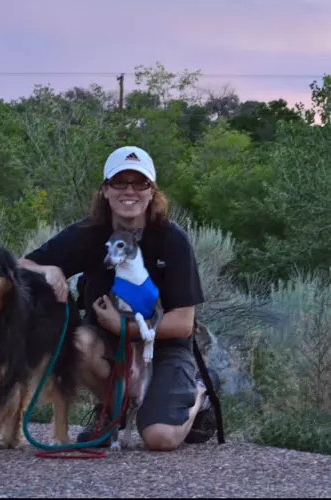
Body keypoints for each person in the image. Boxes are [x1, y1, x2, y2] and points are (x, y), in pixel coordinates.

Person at [18, 145, 220, 451]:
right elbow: (21, 266)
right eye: (119, 182)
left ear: (152, 192)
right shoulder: (87, 234)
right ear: (105, 191)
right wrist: (49, 271)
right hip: (106, 341)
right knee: (78, 342)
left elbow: (183, 323)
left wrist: (125, 328)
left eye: (140, 183)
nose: (130, 191)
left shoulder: (172, 239)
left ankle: (199, 392)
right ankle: (114, 412)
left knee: (159, 438)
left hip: (162, 344)